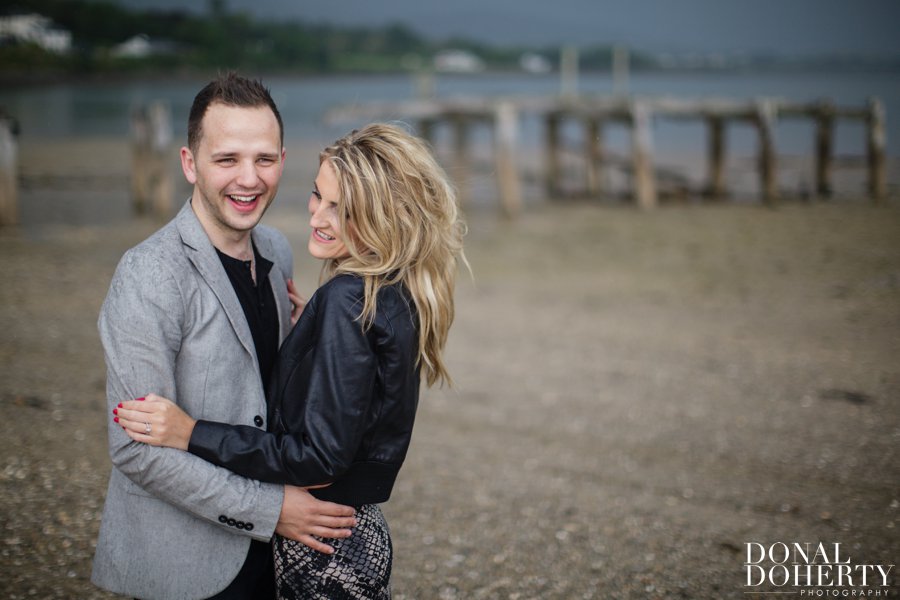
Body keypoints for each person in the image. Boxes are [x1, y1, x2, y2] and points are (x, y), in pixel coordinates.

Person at [114, 123, 468, 599]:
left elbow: (319, 458)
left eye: (342, 209)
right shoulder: (393, 292)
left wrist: (189, 432)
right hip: (355, 529)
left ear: (386, 216)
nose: (318, 217)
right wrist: (312, 333)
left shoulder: (347, 299)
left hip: (325, 545)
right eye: (317, 196)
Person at [92, 73, 357, 600]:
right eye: (227, 159)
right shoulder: (149, 274)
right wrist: (273, 509)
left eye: (263, 159)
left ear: (283, 159)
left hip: (276, 555)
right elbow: (136, 452)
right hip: (186, 562)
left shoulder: (278, 249)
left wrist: (311, 338)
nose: (249, 179)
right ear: (190, 163)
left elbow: (264, 389)